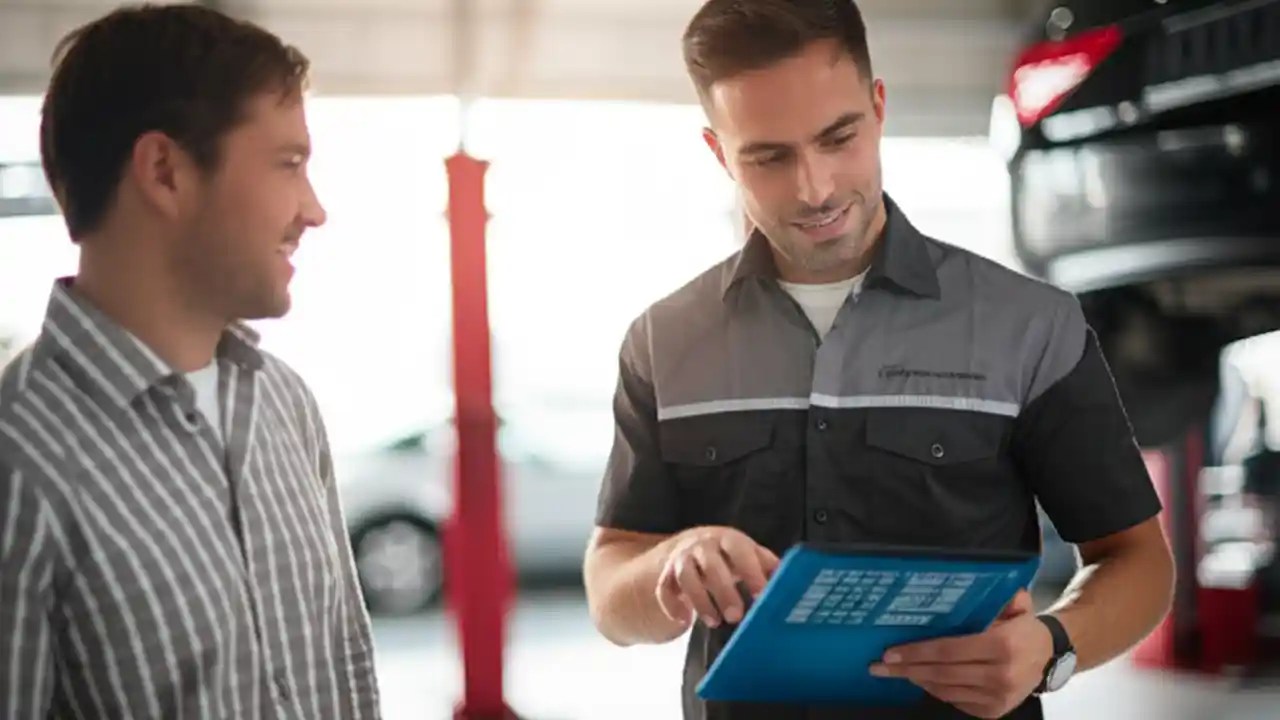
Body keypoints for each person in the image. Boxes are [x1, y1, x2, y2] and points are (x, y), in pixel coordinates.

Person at [583, 1, 1174, 719]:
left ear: (879, 105)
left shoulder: (1030, 326)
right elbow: (610, 587)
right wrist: (666, 571)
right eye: (769, 157)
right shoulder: (663, 341)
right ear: (718, 152)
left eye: (839, 137)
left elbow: (1138, 562)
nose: (816, 188)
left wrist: (1053, 646)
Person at [0, 5, 380, 719]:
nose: (314, 209)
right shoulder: (18, 463)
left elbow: (347, 670)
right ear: (165, 171)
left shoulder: (284, 406)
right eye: (288, 164)